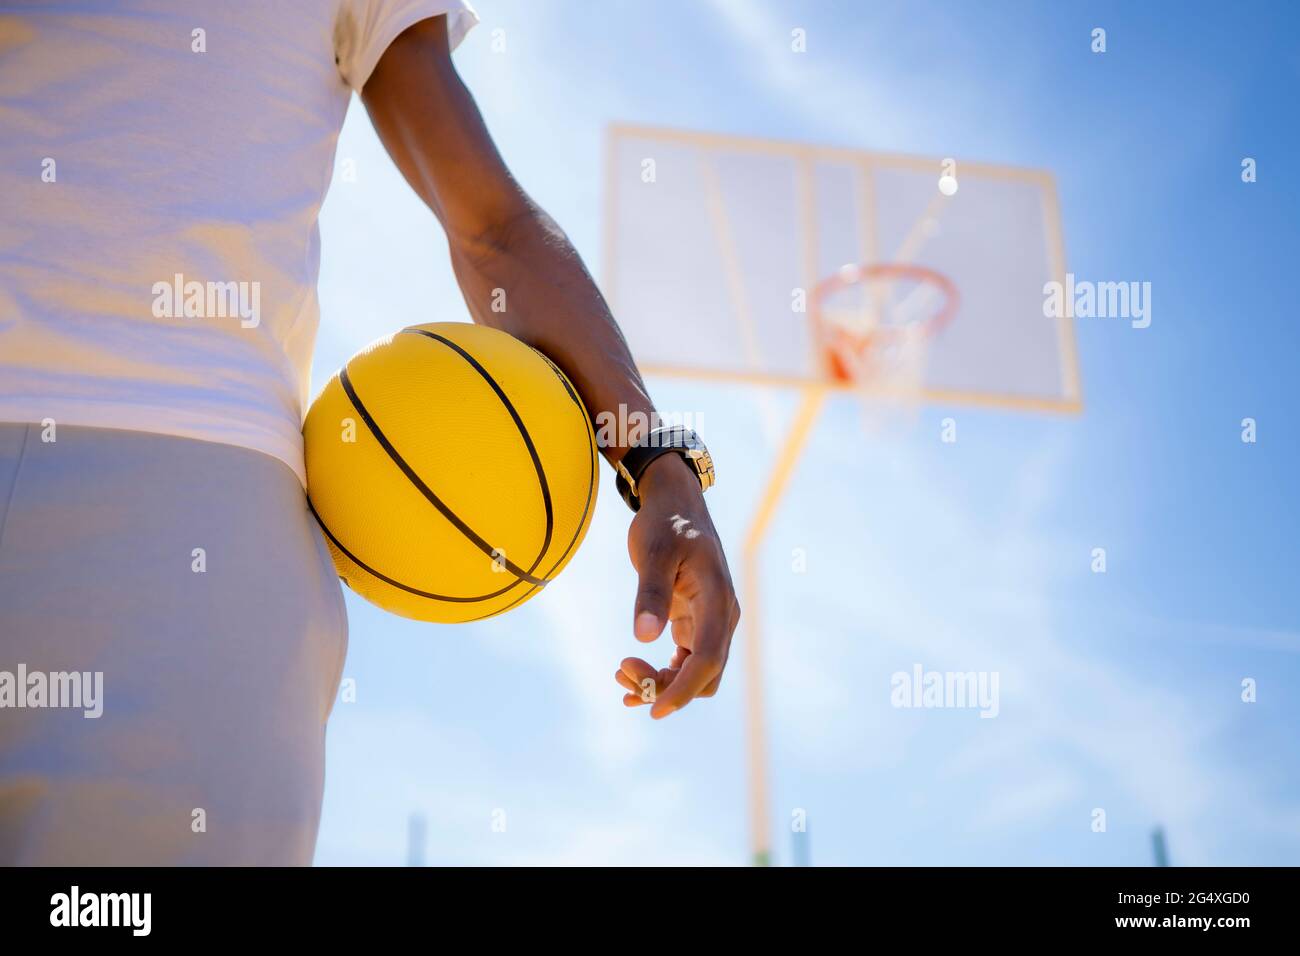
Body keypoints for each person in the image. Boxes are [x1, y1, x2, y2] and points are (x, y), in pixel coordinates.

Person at [0, 1, 738, 865]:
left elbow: (493, 226)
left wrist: (663, 469)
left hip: (195, 486)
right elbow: (491, 229)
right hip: (198, 495)